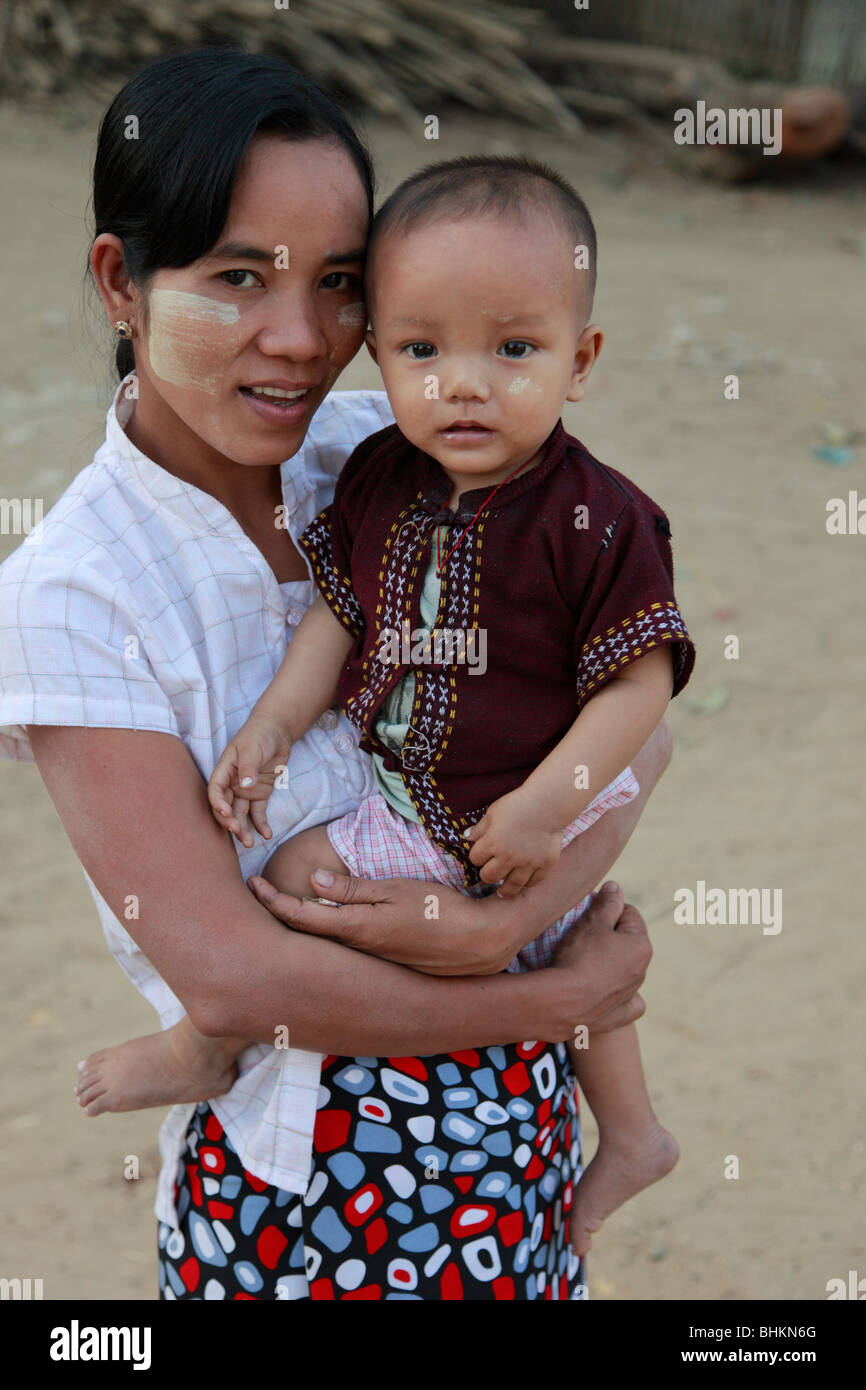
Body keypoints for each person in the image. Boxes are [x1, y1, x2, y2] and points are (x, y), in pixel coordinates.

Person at [0, 49, 665, 1301]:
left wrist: (505, 929)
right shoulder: (74, 590)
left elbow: (635, 717)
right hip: (308, 1170)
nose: (303, 341)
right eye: (238, 277)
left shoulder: (391, 449)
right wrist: (554, 990)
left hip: (520, 1121)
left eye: (341, 286)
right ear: (120, 283)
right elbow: (235, 976)